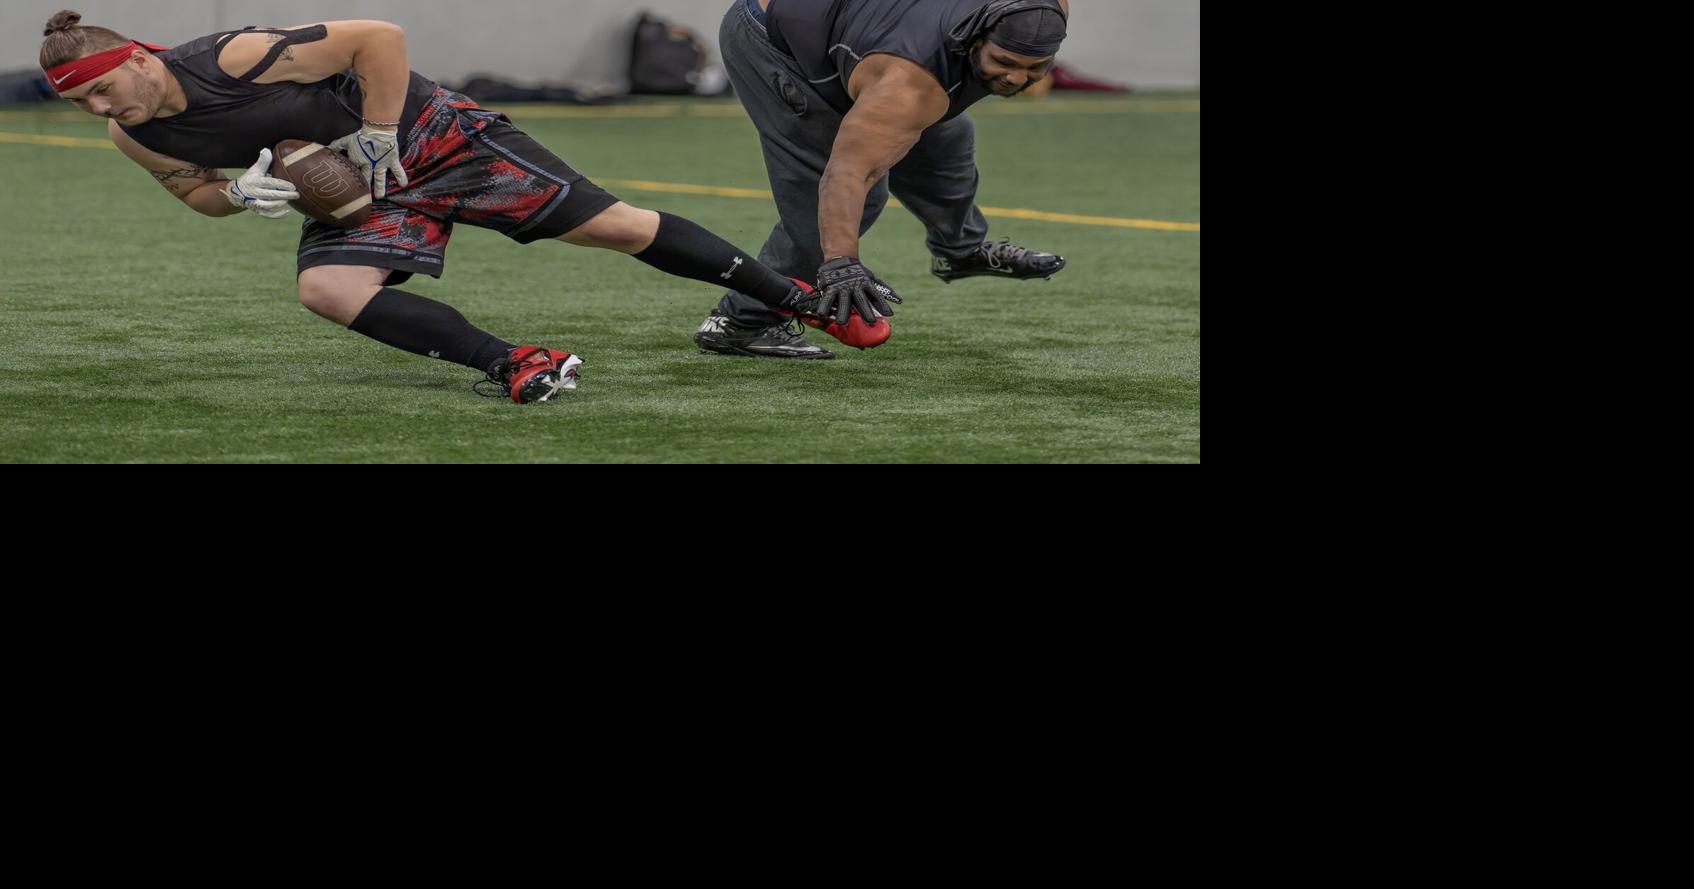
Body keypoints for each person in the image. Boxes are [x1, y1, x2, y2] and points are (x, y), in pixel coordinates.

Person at [39, 11, 872, 404]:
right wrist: (235, 194)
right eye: (85, 107)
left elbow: (382, 38)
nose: (104, 112)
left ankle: (792, 299)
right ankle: (512, 362)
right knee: (327, 292)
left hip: (434, 139)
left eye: (106, 91)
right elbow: (198, 198)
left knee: (614, 227)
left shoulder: (237, 56)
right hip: (360, 188)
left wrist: (374, 130)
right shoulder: (137, 136)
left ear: (138, 59)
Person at [694, 0, 1071, 360]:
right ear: (976, 39)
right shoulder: (911, 84)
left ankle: (958, 252)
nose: (1017, 78)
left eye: (1036, 67)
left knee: (949, 136)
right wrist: (841, 264)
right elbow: (848, 174)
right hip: (776, 42)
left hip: (863, 36)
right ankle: (742, 320)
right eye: (1004, 61)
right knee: (849, 198)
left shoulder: (1044, 8)